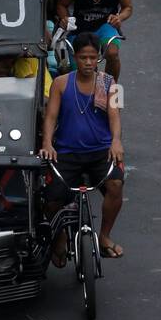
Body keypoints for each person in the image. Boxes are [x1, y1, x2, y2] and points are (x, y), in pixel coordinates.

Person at [41, 34, 125, 263]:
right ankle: (58, 237)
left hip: (100, 151)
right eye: (83, 58)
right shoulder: (60, 83)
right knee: (52, 198)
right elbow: (50, 117)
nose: (88, 62)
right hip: (66, 152)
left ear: (98, 58)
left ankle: (105, 235)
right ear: (75, 58)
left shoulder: (110, 83)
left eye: (92, 58)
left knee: (116, 184)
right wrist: (47, 143)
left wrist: (116, 141)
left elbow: (115, 116)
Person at [55, 0, 132, 84]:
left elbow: (128, 8)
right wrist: (65, 18)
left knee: (112, 54)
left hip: (105, 26)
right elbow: (61, 5)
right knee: (84, 69)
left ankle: (110, 89)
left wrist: (119, 17)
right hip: (80, 30)